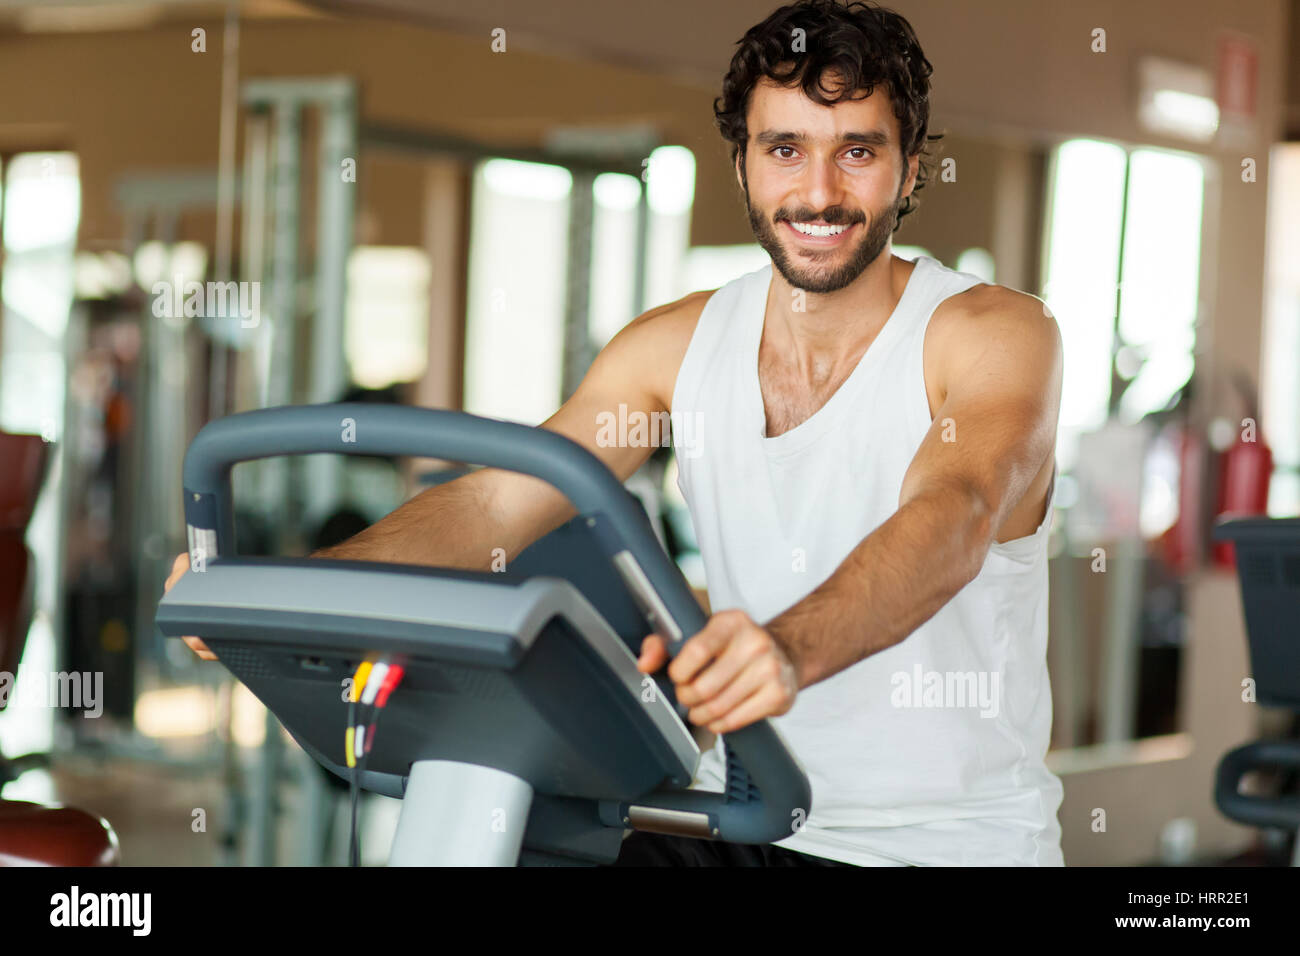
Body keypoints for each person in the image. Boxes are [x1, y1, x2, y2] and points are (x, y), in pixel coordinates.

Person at [167, 0, 1064, 866]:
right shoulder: (674, 346)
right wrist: (290, 591)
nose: (818, 191)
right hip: (744, 820)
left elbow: (958, 509)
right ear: (743, 166)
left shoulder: (992, 336)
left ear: (910, 172)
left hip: (949, 847)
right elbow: (491, 505)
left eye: (857, 152)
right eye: (784, 149)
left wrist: (791, 646)